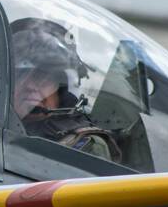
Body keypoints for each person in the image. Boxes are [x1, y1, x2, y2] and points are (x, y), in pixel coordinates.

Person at [7, 18, 121, 163]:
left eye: (42, 77)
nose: (30, 85)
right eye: (21, 75)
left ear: (61, 89)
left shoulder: (85, 146)